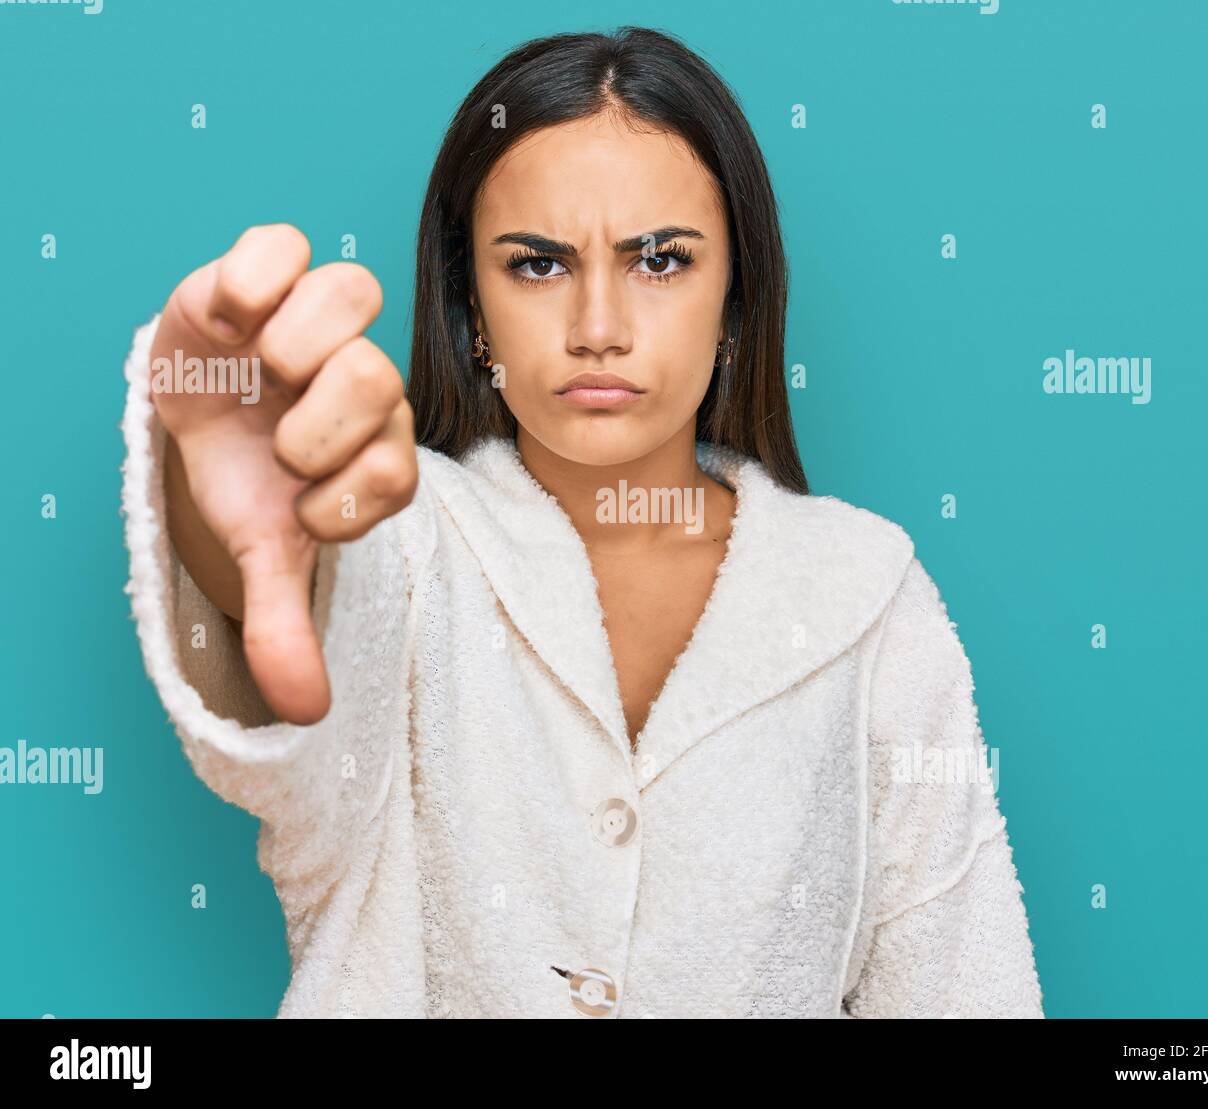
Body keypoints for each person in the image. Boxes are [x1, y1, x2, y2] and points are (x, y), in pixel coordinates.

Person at [120, 25, 1045, 1018]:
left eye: (659, 259)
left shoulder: (865, 594)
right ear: (472, 310)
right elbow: (299, 588)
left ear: (733, 300)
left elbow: (961, 981)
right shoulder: (410, 541)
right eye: (537, 265)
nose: (597, 325)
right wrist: (220, 477)